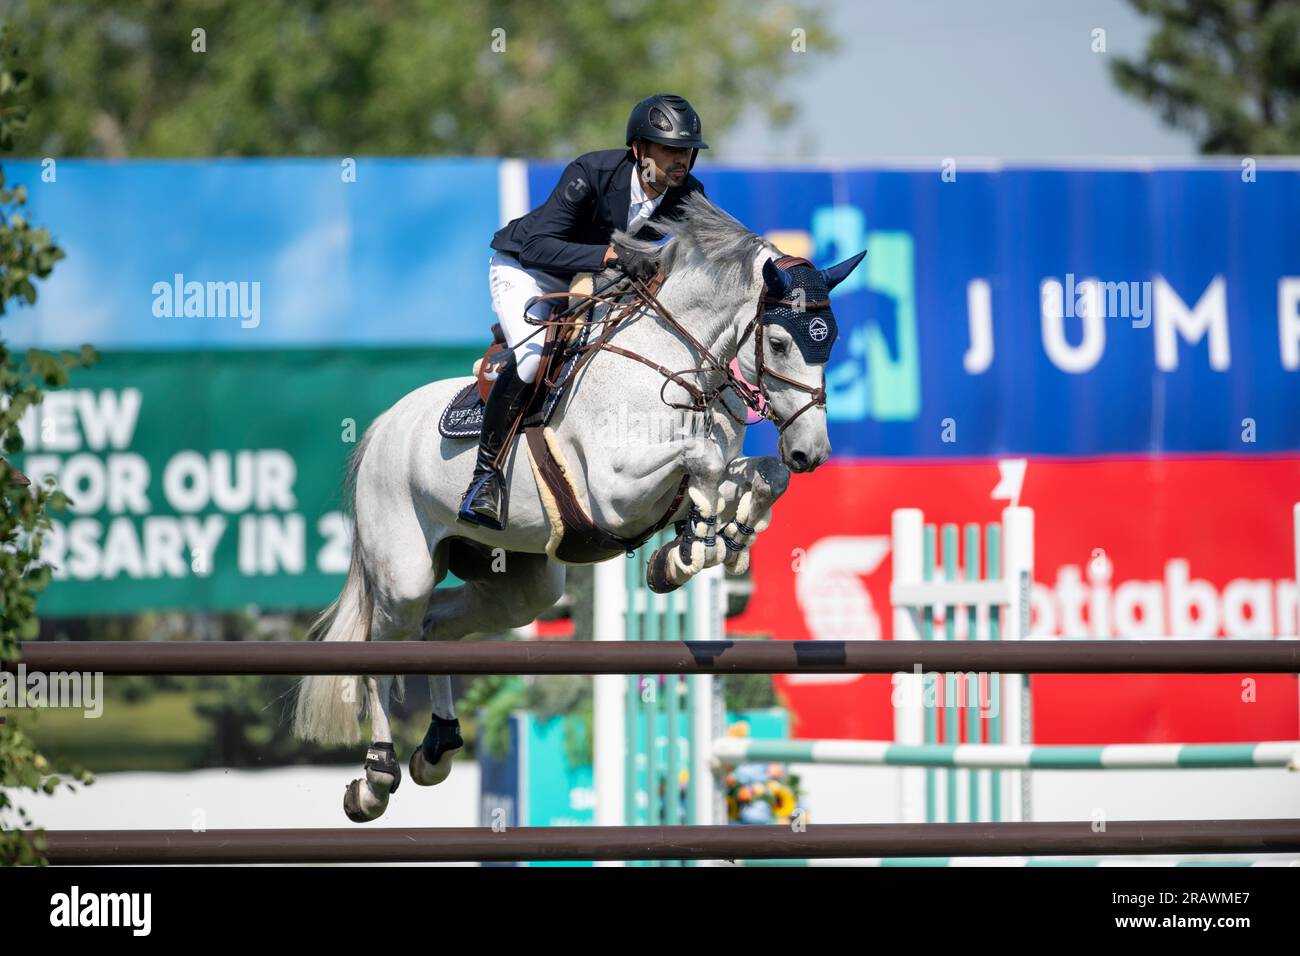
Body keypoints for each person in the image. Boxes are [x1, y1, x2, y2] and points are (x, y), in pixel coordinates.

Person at [459, 93, 709, 530]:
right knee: (535, 358)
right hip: (528, 270)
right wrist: (613, 254)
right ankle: (485, 479)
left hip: (594, 279)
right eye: (669, 149)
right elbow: (537, 245)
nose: (680, 160)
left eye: (686, 151)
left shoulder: (689, 195)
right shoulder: (590, 173)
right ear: (639, 150)